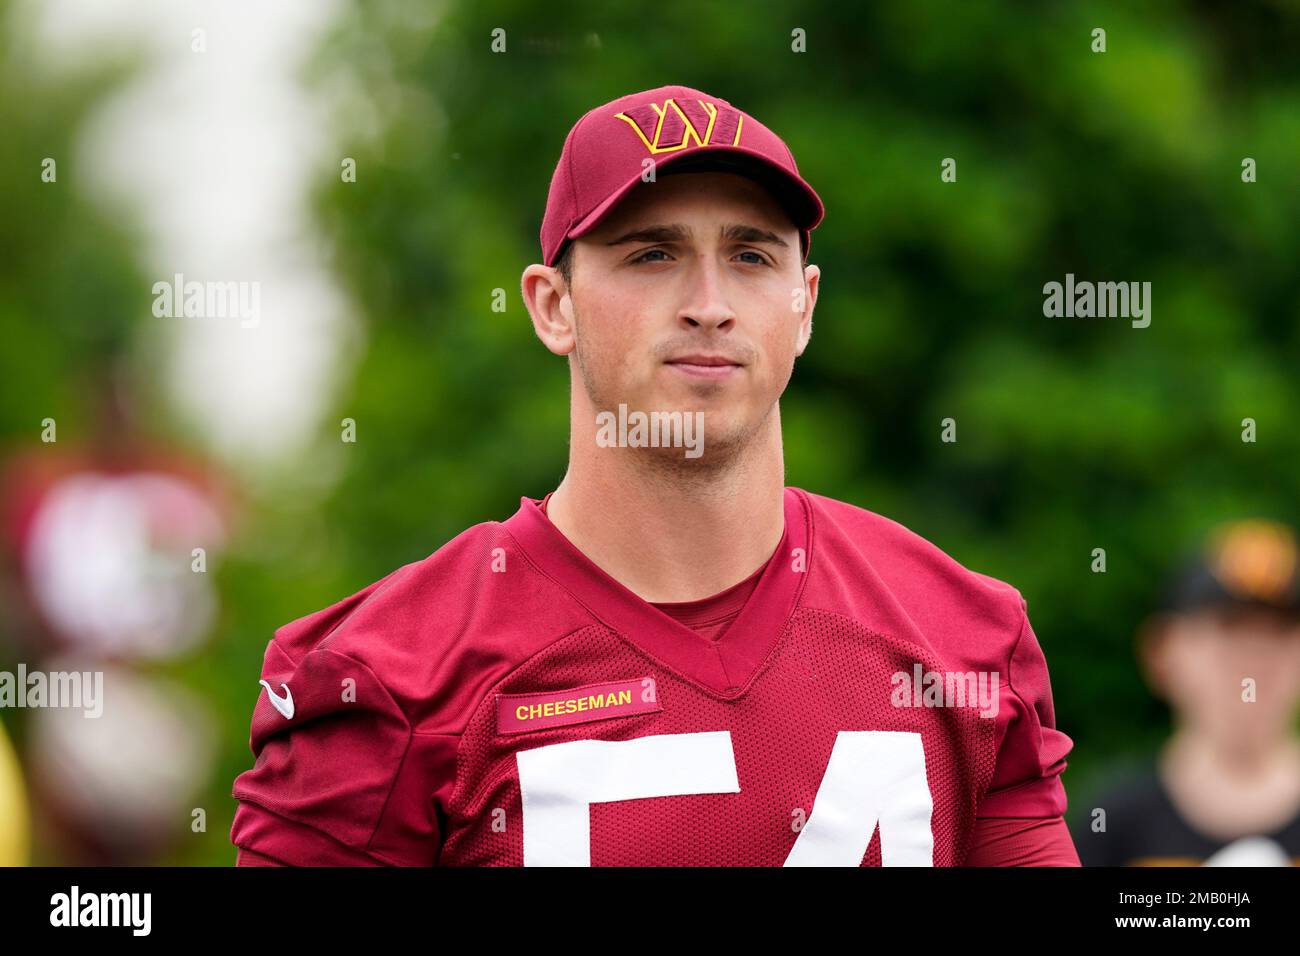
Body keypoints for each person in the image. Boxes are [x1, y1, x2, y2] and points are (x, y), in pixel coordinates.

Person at [230, 84, 1078, 866]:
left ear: (806, 304)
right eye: (651, 254)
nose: (708, 302)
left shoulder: (960, 639)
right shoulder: (390, 678)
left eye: (751, 256)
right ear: (552, 306)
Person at [1075, 520, 1300, 866]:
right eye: (1231, 629)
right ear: (1163, 653)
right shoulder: (1110, 824)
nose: (1256, 659)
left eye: (1280, 633)